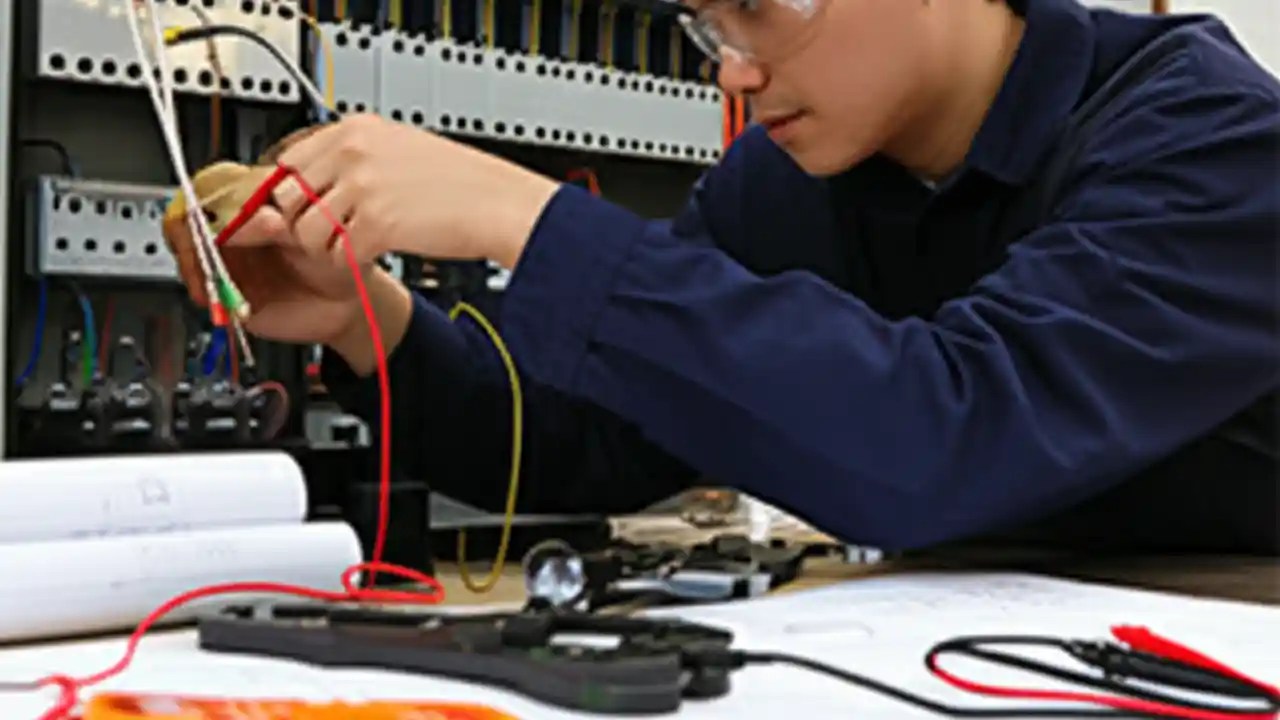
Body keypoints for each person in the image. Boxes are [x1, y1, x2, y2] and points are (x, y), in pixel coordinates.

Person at [166, 0, 1280, 554]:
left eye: (764, 4)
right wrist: (374, 321)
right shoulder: (788, 184)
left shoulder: (1206, 140)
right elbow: (585, 442)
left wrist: (525, 217)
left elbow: (957, 431)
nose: (737, 68)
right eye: (707, 25)